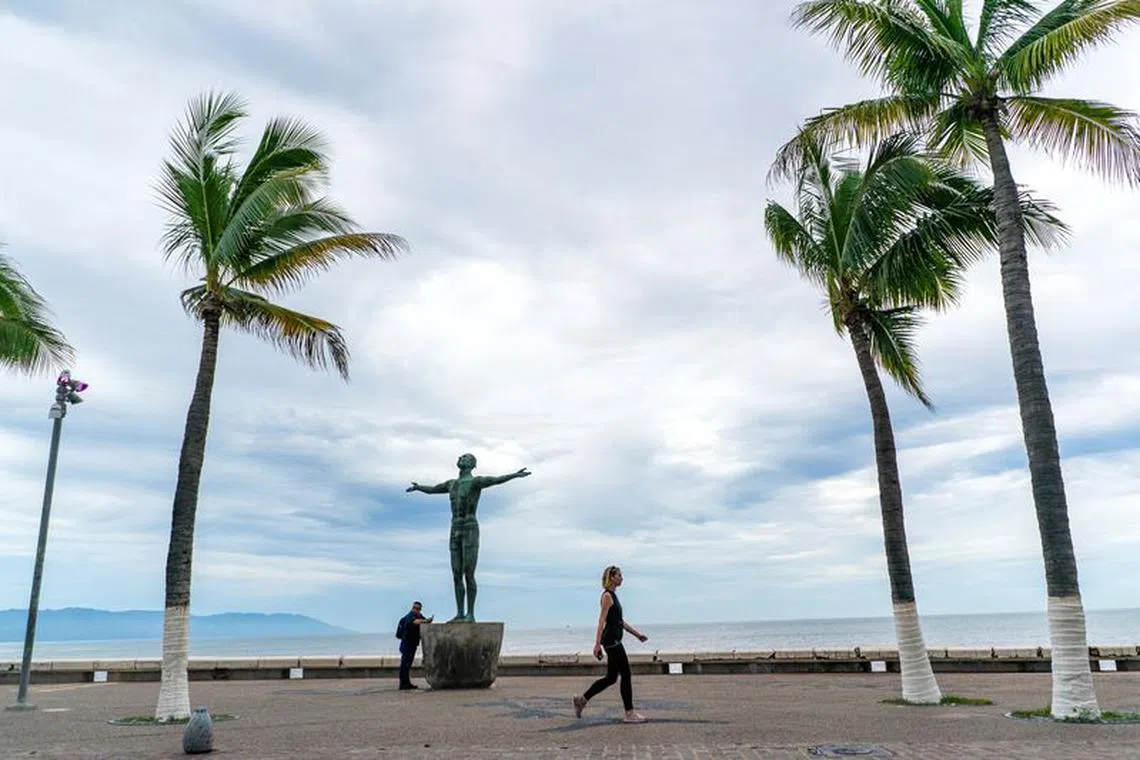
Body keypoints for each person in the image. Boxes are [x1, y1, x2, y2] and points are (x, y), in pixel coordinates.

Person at [406, 453, 531, 622]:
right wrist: (419, 487)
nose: (461, 458)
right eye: (461, 457)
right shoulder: (452, 484)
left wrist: (515, 475)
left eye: (465, 457)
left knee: (468, 573)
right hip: (454, 529)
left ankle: (470, 614)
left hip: (470, 527)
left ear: (472, 464)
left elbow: (495, 480)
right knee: (456, 573)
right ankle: (460, 613)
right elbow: (434, 490)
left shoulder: (475, 482)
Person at [572, 565, 648, 723]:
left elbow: (619, 622)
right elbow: (602, 620)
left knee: (611, 677)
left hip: (614, 640)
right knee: (625, 674)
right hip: (611, 641)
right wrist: (597, 644)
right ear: (612, 577)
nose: (622, 578)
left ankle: (581, 700)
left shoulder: (613, 595)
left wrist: (637, 635)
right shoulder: (607, 596)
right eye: (619, 575)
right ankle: (629, 714)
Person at [396, 600, 433, 690]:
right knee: (405, 664)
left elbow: (424, 621)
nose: (415, 610)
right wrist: (425, 621)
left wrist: (428, 620)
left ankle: (406, 683)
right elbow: (416, 622)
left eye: (418, 609)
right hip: (407, 643)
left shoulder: (418, 616)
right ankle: (403, 684)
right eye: (414, 608)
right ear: (412, 608)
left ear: (420, 610)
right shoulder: (410, 616)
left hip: (412, 644)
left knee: (407, 664)